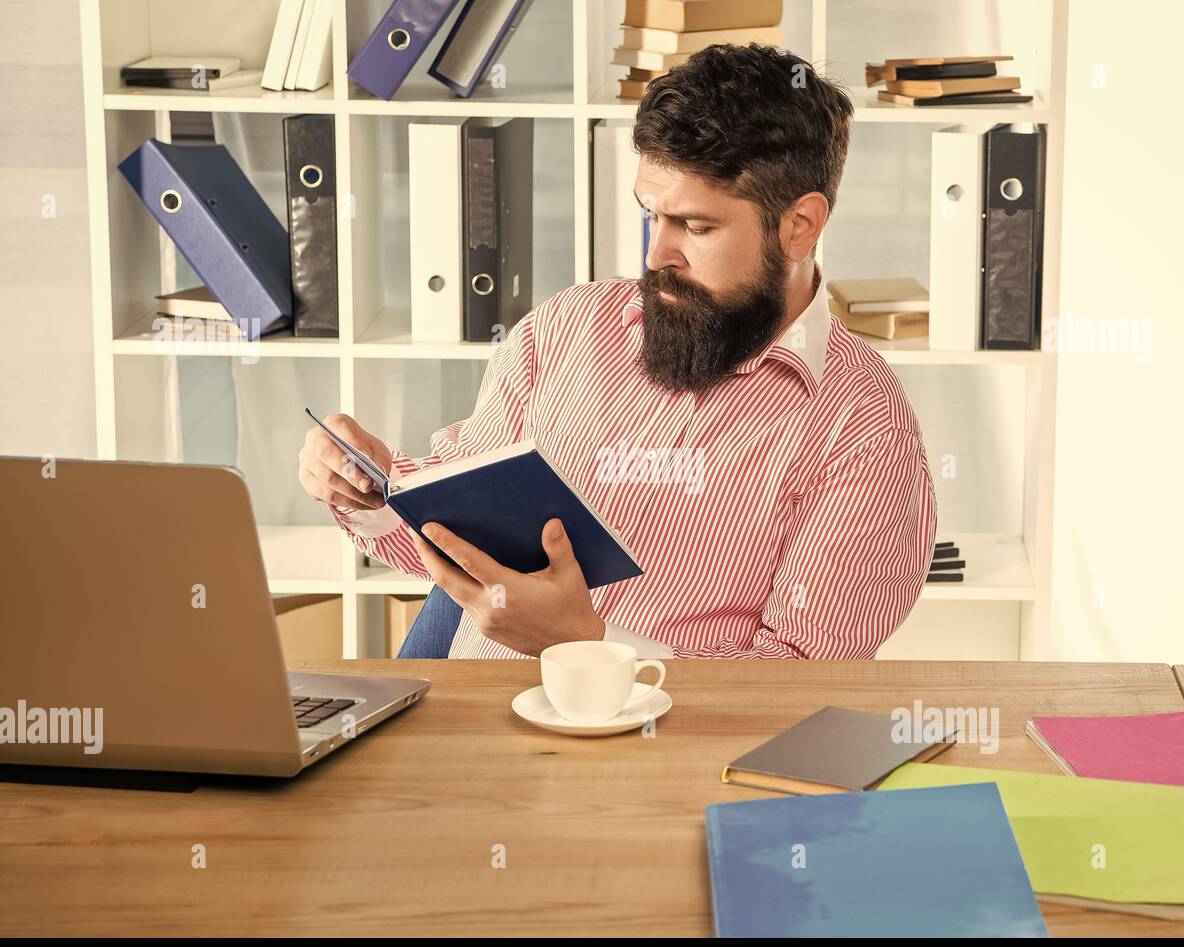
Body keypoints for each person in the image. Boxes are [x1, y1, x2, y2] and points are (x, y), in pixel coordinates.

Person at [298, 43, 937, 660]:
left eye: (697, 226)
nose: (657, 257)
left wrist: (591, 647)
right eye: (651, 215)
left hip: (662, 762)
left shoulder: (864, 430)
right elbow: (457, 548)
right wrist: (374, 496)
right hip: (474, 730)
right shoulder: (567, 330)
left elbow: (795, 690)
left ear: (799, 226)